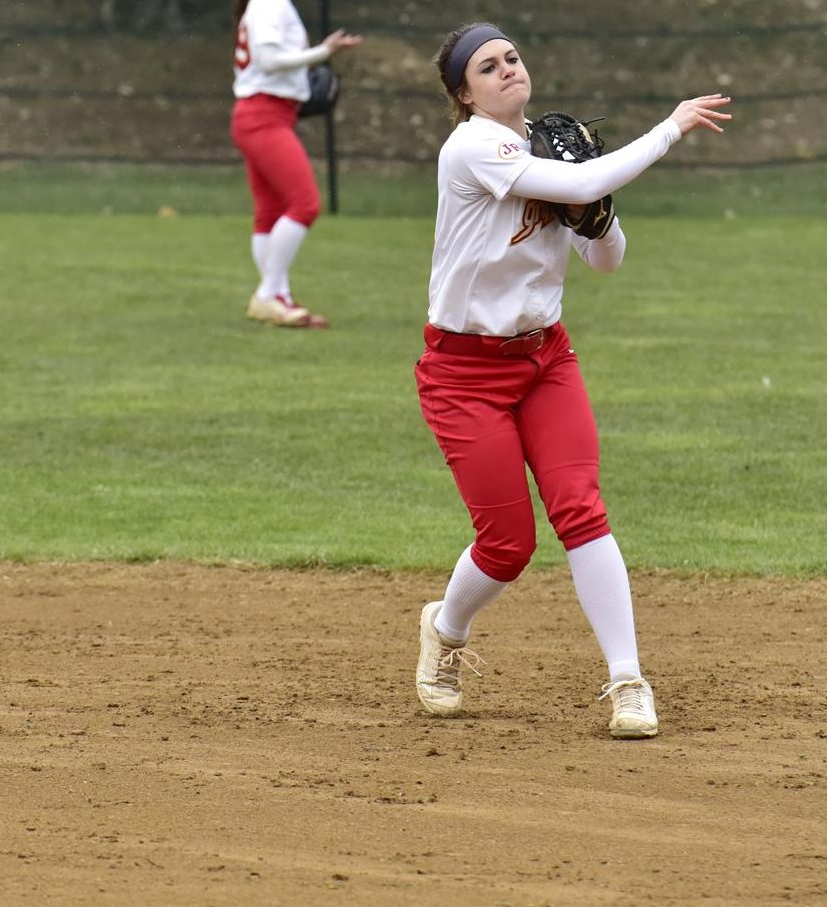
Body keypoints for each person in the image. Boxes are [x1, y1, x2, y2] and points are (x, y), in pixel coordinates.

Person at [414, 22, 732, 738]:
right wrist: (671, 128)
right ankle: (447, 628)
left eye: (512, 58)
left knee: (581, 510)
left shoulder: (551, 154)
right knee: (507, 545)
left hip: (544, 360)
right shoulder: (472, 147)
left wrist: (598, 217)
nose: (506, 70)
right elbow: (585, 181)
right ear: (464, 94)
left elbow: (607, 261)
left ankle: (628, 682)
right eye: (487, 67)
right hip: (463, 372)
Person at [230, 0, 362, 329]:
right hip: (264, 114)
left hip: (263, 112)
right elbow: (269, 60)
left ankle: (279, 298)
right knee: (305, 204)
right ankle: (269, 294)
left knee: (270, 211)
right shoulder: (270, 3)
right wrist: (323, 52)